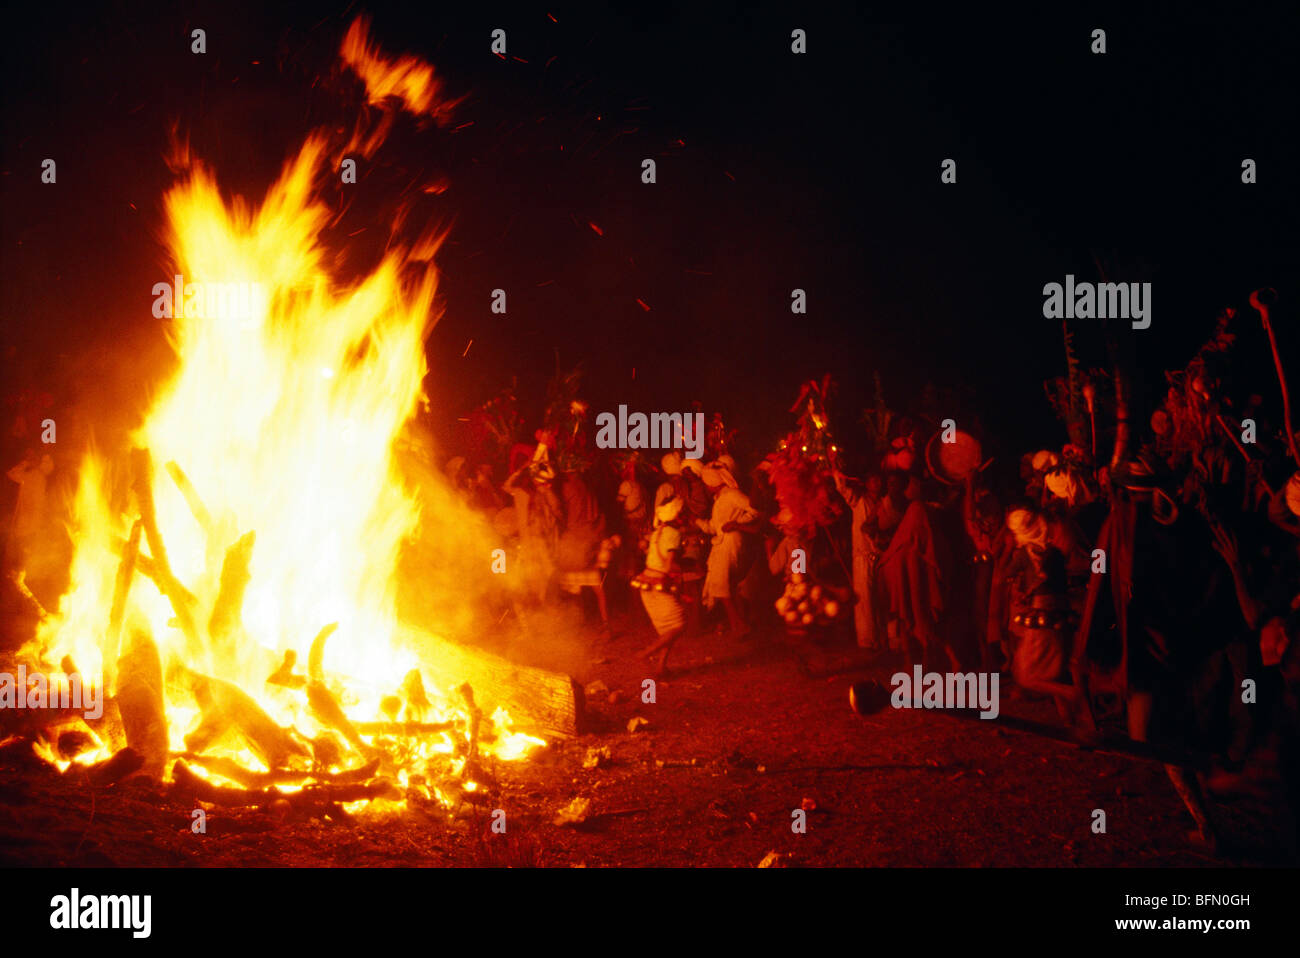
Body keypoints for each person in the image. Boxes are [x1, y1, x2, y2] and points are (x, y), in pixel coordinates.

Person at [697, 461, 759, 638]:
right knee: (727, 585)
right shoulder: (719, 499)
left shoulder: (732, 495)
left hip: (732, 543)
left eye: (706, 483)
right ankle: (739, 624)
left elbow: (755, 511)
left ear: (712, 482)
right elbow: (714, 528)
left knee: (721, 584)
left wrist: (737, 524)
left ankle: (738, 625)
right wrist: (695, 522)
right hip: (723, 544)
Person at [831, 456, 883, 651]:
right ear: (867, 483)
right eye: (873, 480)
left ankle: (887, 640)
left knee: (883, 599)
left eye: (879, 480)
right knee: (865, 602)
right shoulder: (859, 501)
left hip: (882, 558)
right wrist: (834, 465)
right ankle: (867, 641)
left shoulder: (885, 502)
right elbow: (843, 488)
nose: (877, 483)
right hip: (863, 557)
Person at [634, 495, 688, 676]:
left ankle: (660, 668)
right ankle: (645, 653)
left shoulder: (658, 531)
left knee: (667, 631)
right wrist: (689, 566)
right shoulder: (674, 534)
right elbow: (668, 565)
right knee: (678, 626)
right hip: (659, 585)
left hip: (646, 583)